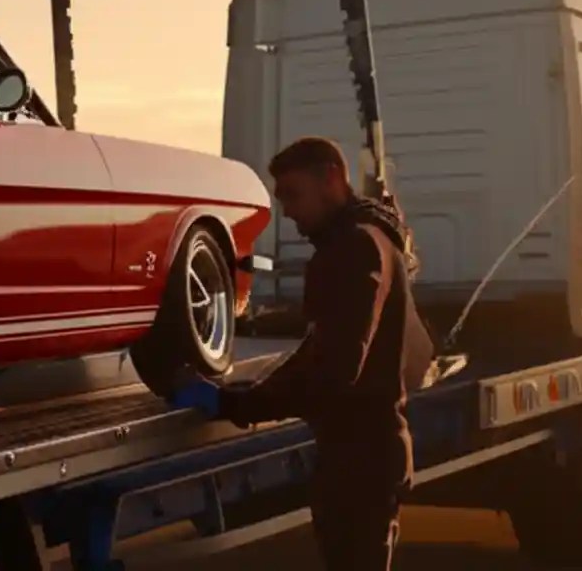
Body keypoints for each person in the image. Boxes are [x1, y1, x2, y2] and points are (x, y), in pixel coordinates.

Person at [175, 136, 434, 570]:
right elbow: (321, 350)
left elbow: (335, 372)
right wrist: (246, 394)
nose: (288, 212)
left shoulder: (355, 247)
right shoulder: (370, 239)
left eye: (293, 195)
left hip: (359, 465)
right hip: (365, 458)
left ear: (330, 178)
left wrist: (235, 403)